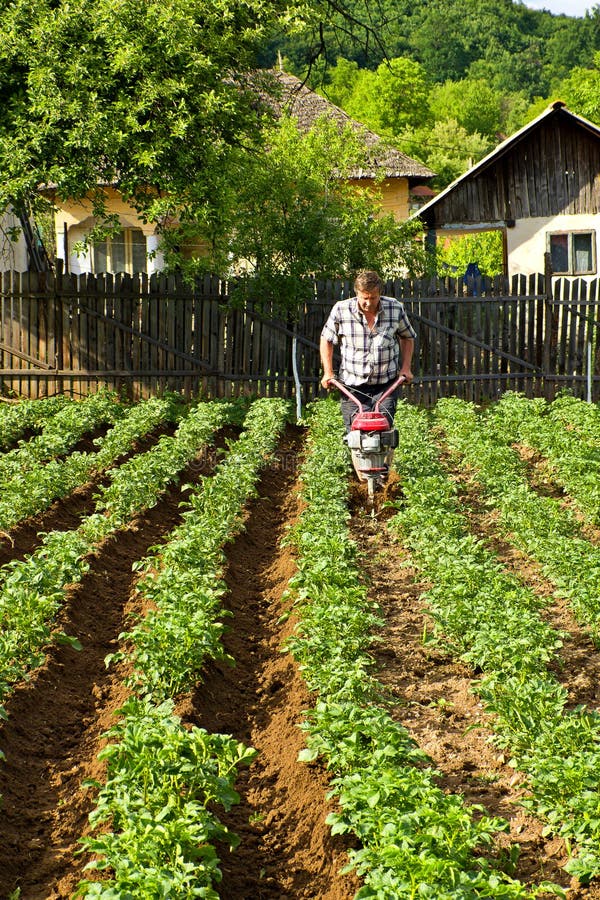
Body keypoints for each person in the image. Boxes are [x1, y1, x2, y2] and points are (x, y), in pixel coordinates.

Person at [319, 269, 415, 480]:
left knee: (385, 431)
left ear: (379, 293)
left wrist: (405, 368)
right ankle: (362, 477)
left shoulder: (394, 308)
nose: (369, 303)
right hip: (352, 386)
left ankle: (382, 479)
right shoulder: (341, 310)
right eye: (364, 298)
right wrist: (328, 372)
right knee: (355, 433)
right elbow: (326, 339)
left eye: (373, 298)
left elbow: (407, 337)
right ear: (357, 294)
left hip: (385, 385)